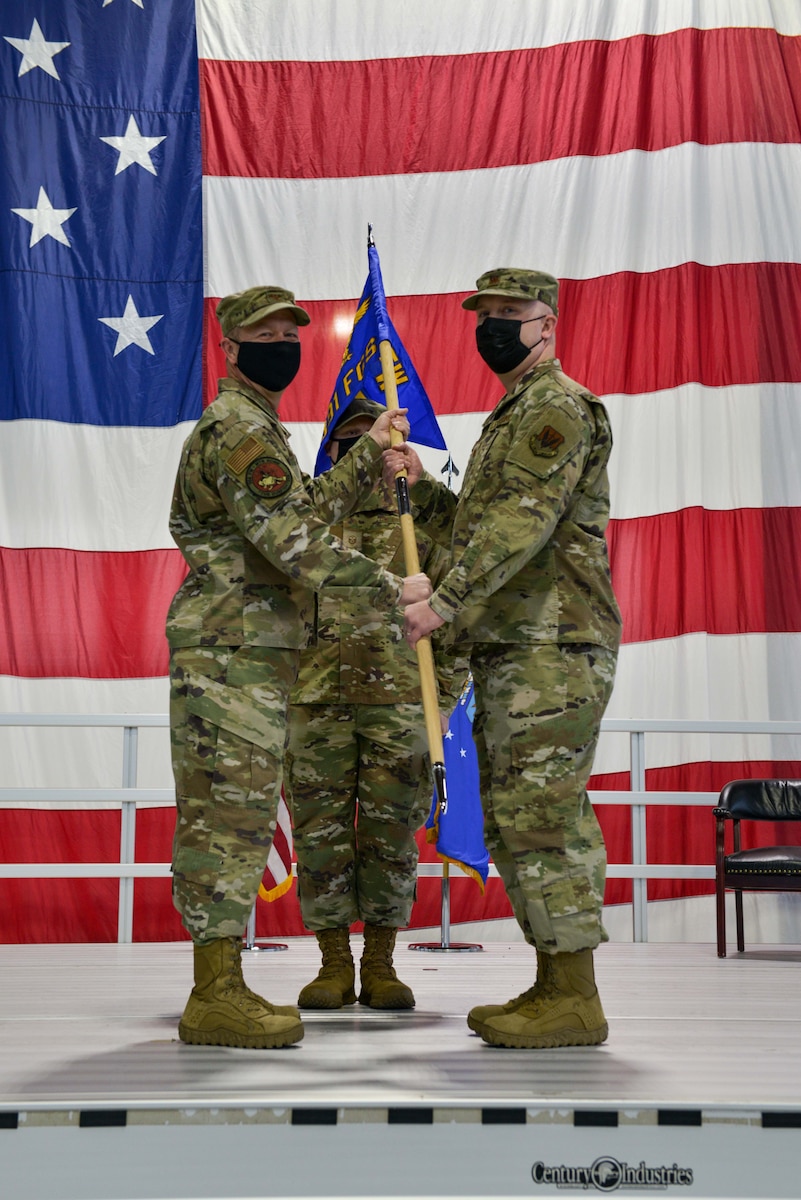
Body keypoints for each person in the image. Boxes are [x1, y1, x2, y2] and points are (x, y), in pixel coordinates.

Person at [166, 286, 431, 1049]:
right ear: (230, 346)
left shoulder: (257, 428)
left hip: (245, 652)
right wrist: (395, 590)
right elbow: (297, 547)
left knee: (238, 821)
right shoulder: (240, 431)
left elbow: (300, 512)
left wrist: (369, 448)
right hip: (231, 653)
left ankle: (220, 986)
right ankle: (213, 995)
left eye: (291, 332)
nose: (282, 344)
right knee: (224, 825)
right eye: (265, 333)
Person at [383, 268, 622, 1049]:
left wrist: (440, 602)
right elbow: (489, 524)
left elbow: (521, 525)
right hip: (519, 644)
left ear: (544, 323)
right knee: (519, 815)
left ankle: (573, 996)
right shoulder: (510, 414)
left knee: (543, 815)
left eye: (508, 314)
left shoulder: (553, 407)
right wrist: (425, 490)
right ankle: (555, 985)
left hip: (551, 644)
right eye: (482, 314)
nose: (492, 325)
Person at [284, 396, 463, 1012]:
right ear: (334, 455)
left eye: (377, 443)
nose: (365, 454)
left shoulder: (425, 526)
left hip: (399, 706)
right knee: (321, 837)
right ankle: (333, 964)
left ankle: (381, 964)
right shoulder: (304, 525)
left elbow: (457, 622)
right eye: (349, 444)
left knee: (390, 837)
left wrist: (442, 700)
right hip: (314, 704)